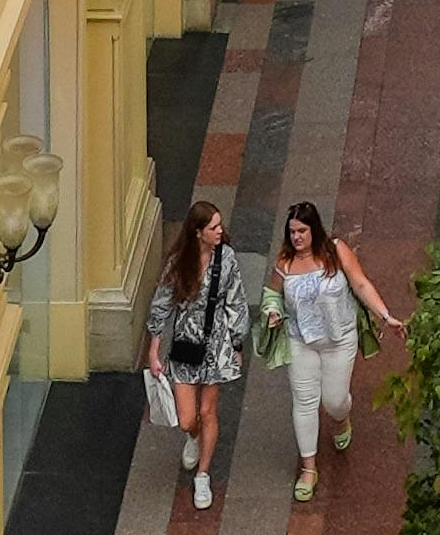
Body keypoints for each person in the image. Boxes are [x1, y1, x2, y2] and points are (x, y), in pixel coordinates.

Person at [267, 198, 394, 493]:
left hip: (339, 339)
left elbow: (361, 284)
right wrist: (272, 311)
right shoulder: (284, 264)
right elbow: (271, 294)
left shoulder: (336, 251)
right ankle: (308, 469)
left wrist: (384, 316)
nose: (297, 237)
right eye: (292, 232)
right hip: (302, 342)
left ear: (314, 230)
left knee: (334, 400)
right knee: (304, 402)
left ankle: (342, 418)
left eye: (302, 231)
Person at [146, 196, 249, 510]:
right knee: (187, 418)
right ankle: (193, 436)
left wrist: (236, 342)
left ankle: (203, 475)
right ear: (198, 232)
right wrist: (154, 351)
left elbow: (236, 301)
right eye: (214, 227)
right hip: (185, 344)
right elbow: (162, 304)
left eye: (220, 225)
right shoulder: (179, 263)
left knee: (208, 412)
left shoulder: (226, 258)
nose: (220, 231)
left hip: (215, 343)